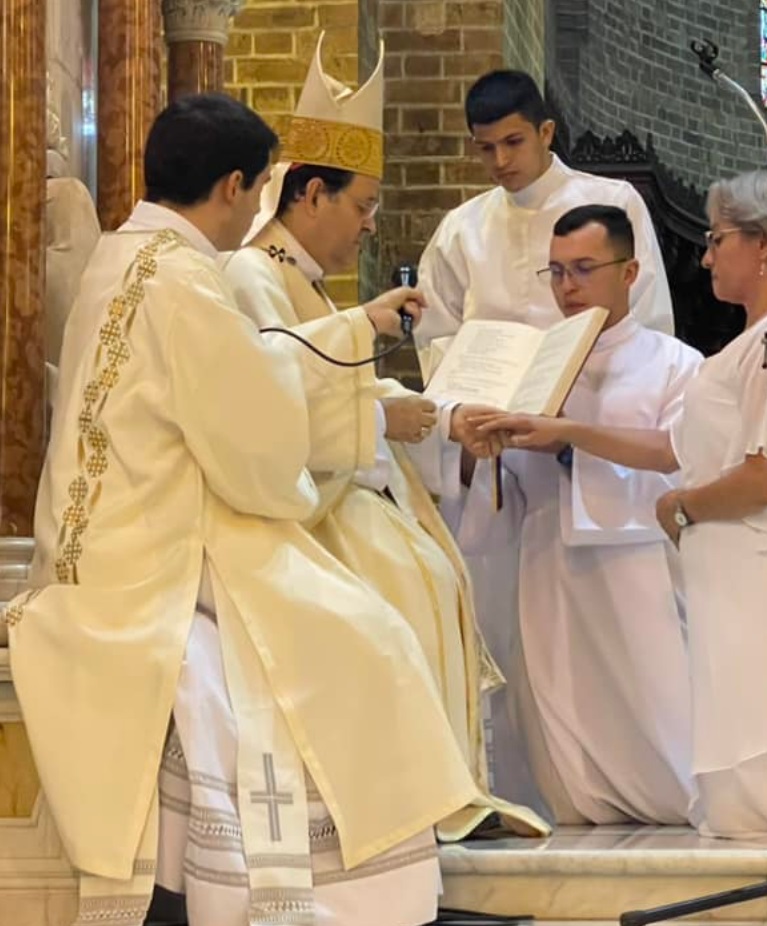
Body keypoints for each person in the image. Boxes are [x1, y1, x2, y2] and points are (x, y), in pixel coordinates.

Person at [2, 93, 479, 926]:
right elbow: (251, 455)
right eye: (261, 188)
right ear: (232, 185)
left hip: (106, 542)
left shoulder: (123, 252)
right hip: (158, 559)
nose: (259, 208)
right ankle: (349, 894)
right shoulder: (188, 280)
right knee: (365, 638)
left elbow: (246, 380)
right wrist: (297, 484)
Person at [478, 170, 767, 900]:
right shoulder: (754, 339)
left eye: (717, 240)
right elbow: (673, 446)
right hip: (733, 566)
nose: (706, 256)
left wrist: (681, 509)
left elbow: (766, 473)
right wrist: (562, 430)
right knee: (753, 710)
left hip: (765, 557)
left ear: (764, 242)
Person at [223, 35, 547, 841]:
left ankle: (442, 798)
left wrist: (439, 417)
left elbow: (345, 385)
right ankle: (413, 805)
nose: (370, 224)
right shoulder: (250, 277)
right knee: (406, 584)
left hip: (340, 482)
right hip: (291, 509)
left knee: (429, 571)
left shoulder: (299, 279)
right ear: (309, 196)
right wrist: (378, 421)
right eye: (363, 205)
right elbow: (262, 405)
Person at [456, 205, 700, 824]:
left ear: (630, 272)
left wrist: (570, 438)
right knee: (557, 704)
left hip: (633, 556)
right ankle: (575, 816)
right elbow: (499, 480)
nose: (567, 287)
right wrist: (474, 451)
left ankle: (680, 813)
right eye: (556, 272)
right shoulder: (534, 362)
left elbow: (680, 458)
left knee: (652, 702)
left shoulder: (674, 363)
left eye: (584, 269)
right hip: (544, 553)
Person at [415, 68, 674, 381]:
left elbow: (648, 316)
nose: (500, 160)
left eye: (513, 142)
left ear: (546, 133)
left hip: (594, 401)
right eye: (487, 148)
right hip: (490, 410)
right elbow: (436, 336)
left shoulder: (614, 202)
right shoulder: (460, 228)